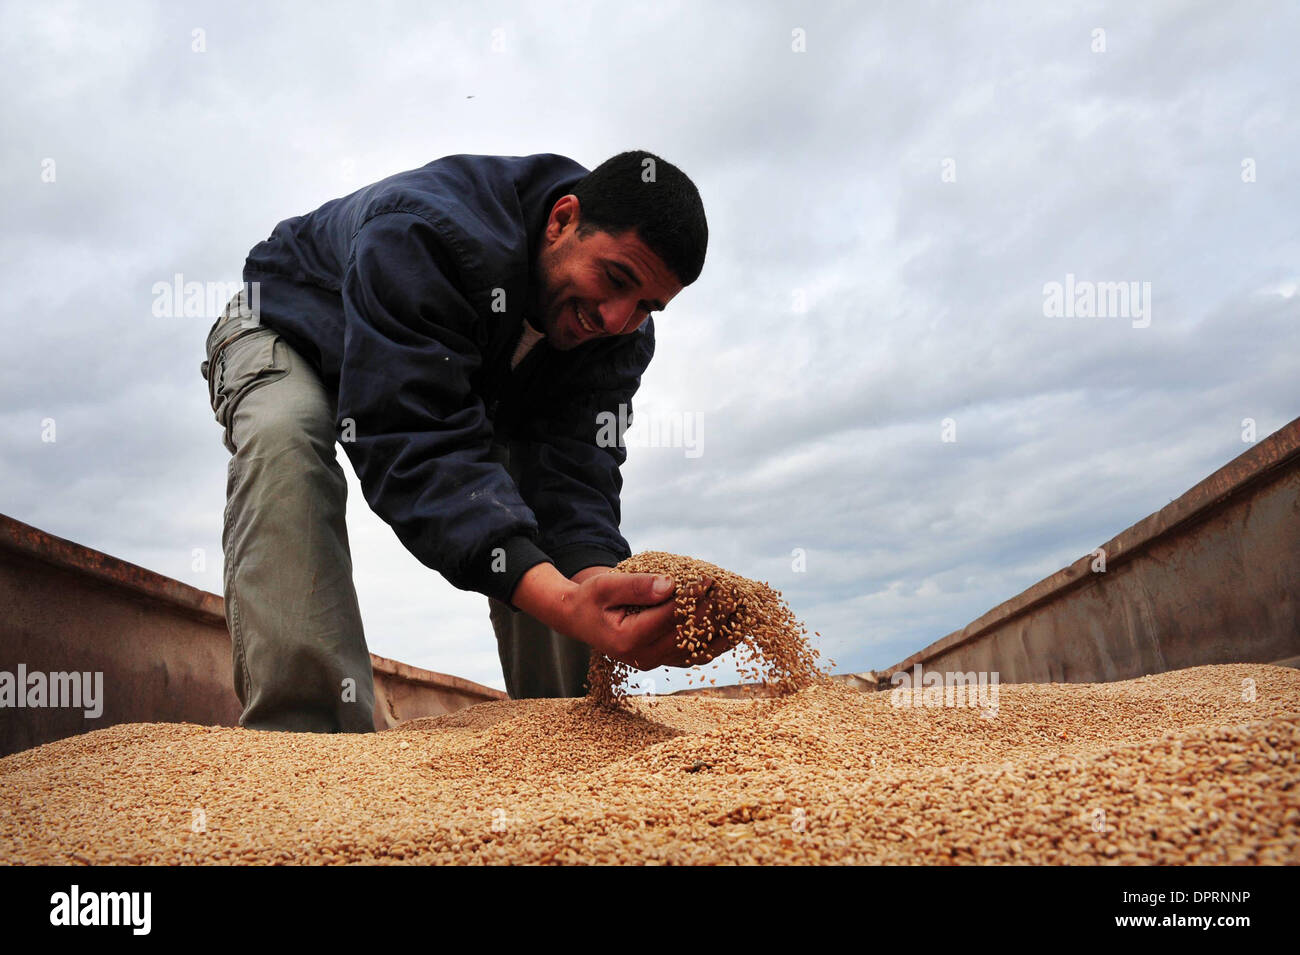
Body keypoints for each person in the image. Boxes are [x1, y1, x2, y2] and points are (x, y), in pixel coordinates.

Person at [200, 150, 720, 732]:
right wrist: (558, 600)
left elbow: (573, 465)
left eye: (647, 306)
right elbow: (416, 438)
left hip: (441, 369)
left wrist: (596, 583)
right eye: (616, 279)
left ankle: (572, 727)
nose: (616, 317)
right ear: (562, 220)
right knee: (285, 435)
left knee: (559, 539)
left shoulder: (620, 336)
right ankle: (308, 739)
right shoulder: (426, 234)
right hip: (289, 324)